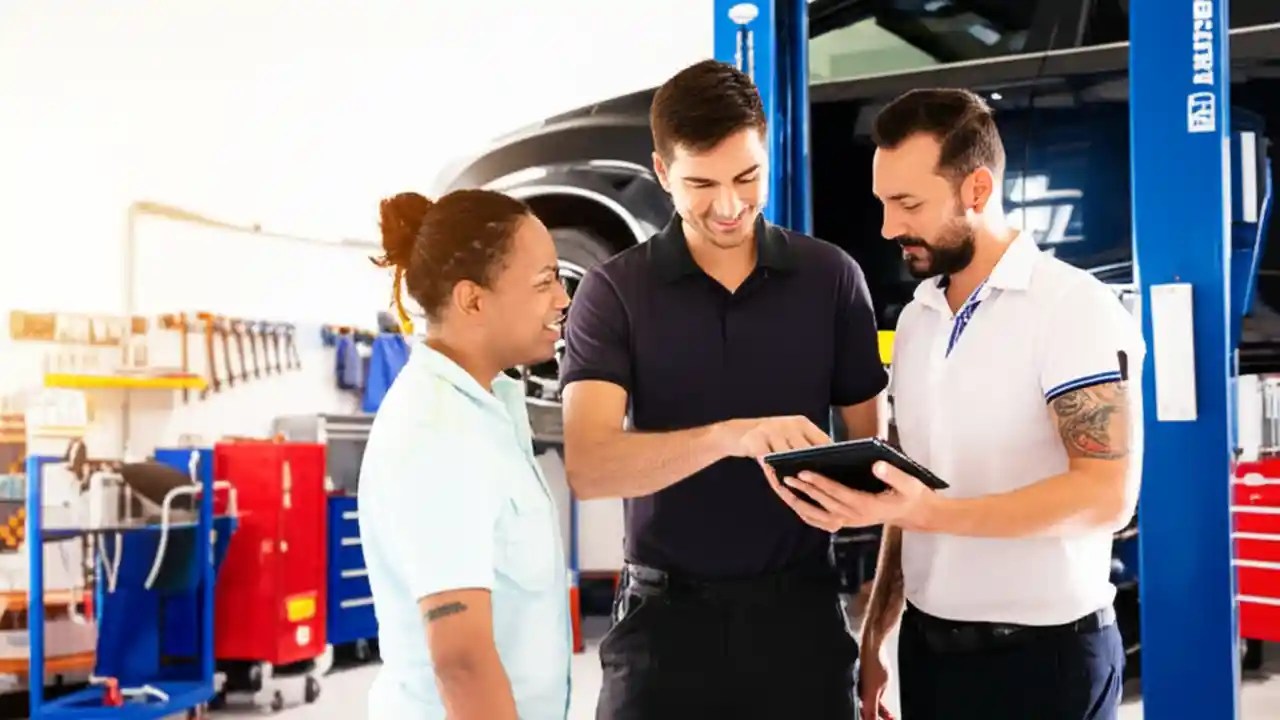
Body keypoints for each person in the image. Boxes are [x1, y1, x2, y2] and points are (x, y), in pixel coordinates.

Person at [769, 88, 1144, 720]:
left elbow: (1106, 496)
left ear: (976, 190)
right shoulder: (918, 319)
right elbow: (907, 495)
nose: (888, 226)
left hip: (1045, 665)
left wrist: (931, 513)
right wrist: (879, 631)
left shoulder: (1071, 308)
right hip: (929, 652)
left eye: (907, 203)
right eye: (883, 202)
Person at [559, 58, 889, 719]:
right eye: (701, 184)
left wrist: (881, 623)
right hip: (662, 629)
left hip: (802, 623)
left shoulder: (833, 280)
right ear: (661, 173)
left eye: (748, 176)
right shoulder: (614, 291)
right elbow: (591, 467)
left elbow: (872, 461)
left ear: (768, 156)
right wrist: (730, 437)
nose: (730, 205)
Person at [357, 189, 573, 720]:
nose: (563, 299)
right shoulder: (437, 432)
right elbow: (462, 660)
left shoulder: (485, 408)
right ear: (473, 300)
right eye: (544, 282)